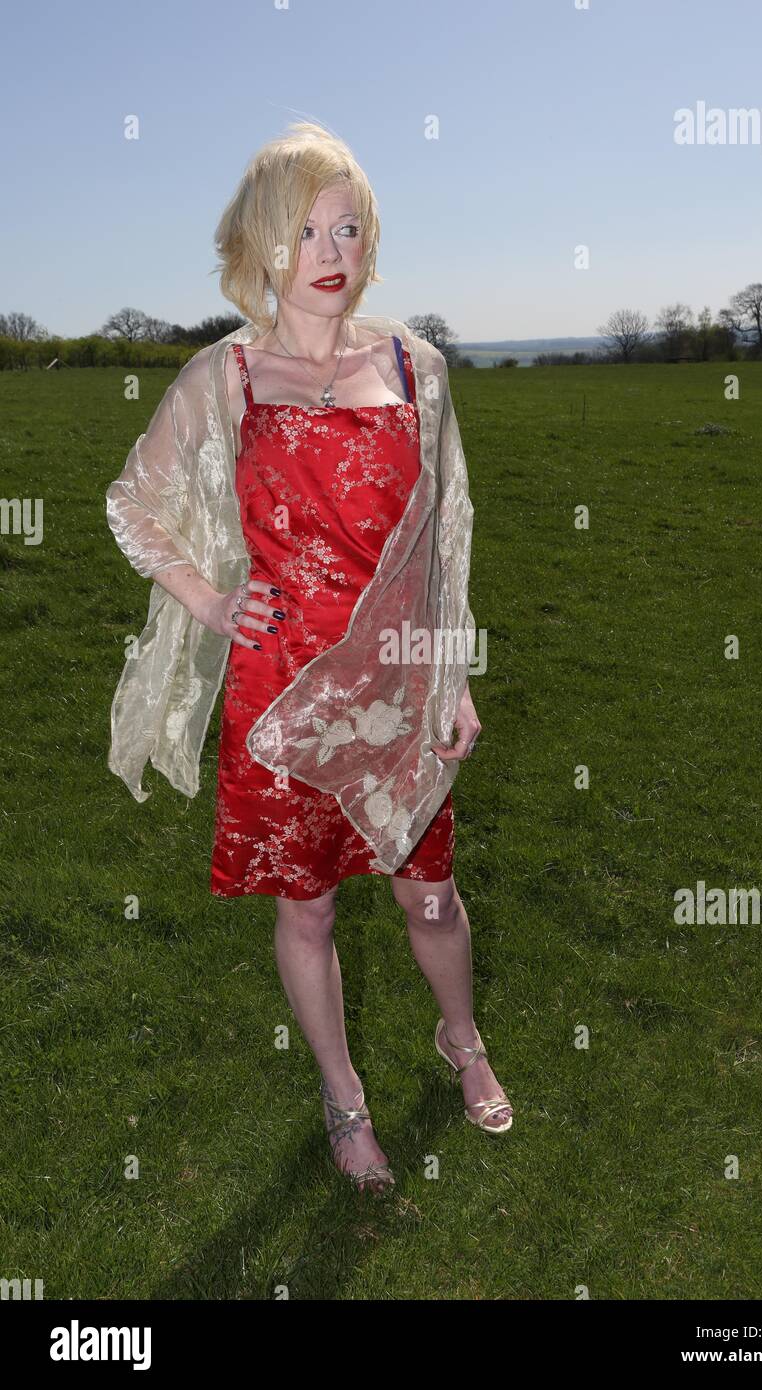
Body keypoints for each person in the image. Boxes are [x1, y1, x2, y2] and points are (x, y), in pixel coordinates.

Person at [106, 122, 512, 1194]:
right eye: (305, 230)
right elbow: (134, 504)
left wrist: (454, 669)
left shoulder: (413, 366)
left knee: (429, 893)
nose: (332, 249)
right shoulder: (226, 374)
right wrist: (211, 594)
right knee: (311, 905)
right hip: (280, 686)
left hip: (395, 681)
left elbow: (440, 536)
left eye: (349, 226)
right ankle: (341, 1096)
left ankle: (459, 1038)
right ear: (262, 250)